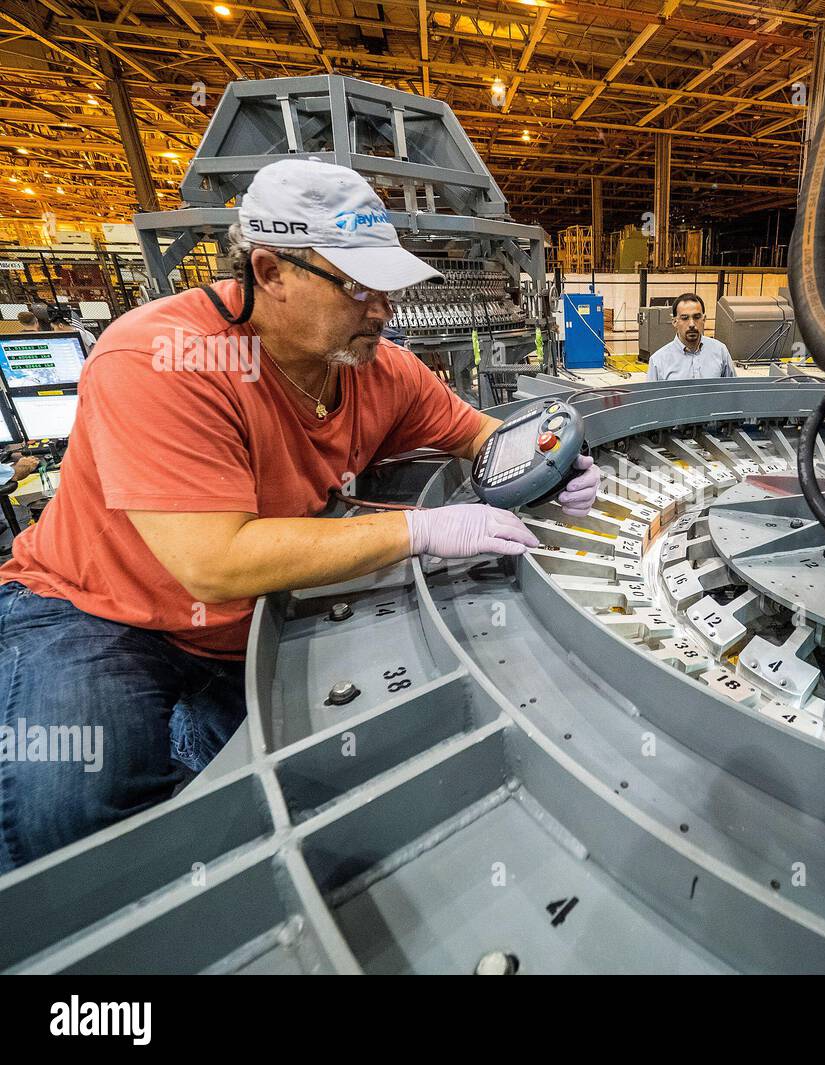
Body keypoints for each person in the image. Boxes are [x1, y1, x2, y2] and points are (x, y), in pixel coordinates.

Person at [0, 158, 600, 873]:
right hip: (97, 609)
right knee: (73, 817)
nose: (382, 310)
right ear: (270, 270)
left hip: (249, 624)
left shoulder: (379, 368)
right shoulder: (157, 357)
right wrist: (418, 530)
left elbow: (484, 439)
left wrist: (551, 465)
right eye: (355, 286)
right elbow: (215, 563)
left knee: (317, 791)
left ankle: (196, 750)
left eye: (388, 288)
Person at [644, 292, 737, 382]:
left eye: (697, 317)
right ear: (674, 322)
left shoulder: (720, 351)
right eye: (685, 318)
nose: (692, 324)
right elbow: (651, 397)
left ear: (704, 319)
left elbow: (733, 391)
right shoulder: (658, 361)